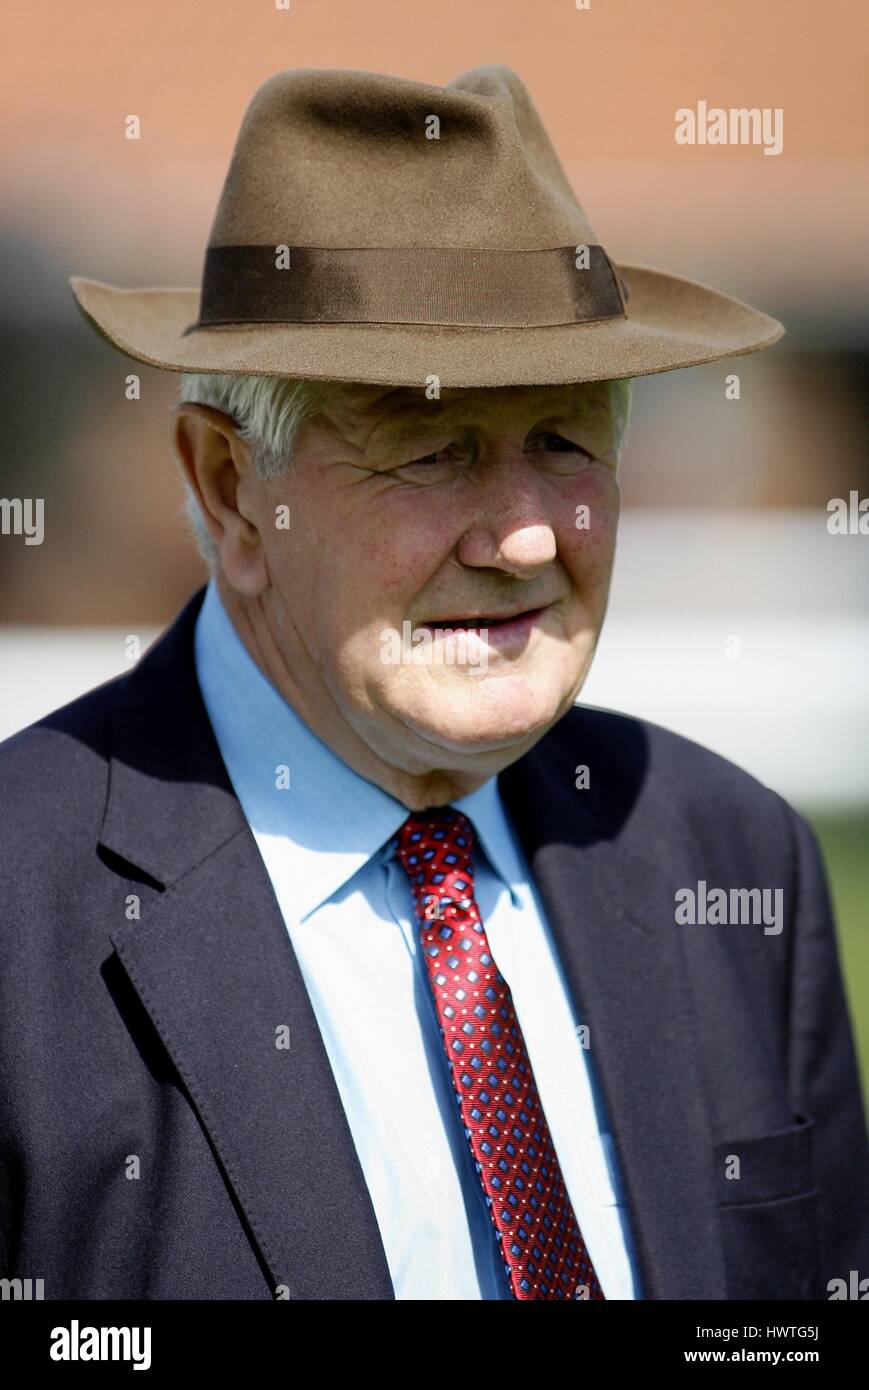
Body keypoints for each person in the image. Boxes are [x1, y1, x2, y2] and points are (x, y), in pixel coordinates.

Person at [1, 64, 866, 1301]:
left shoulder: (727, 860)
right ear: (233, 492)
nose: (522, 538)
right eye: (433, 451)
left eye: (564, 440)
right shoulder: (21, 913)